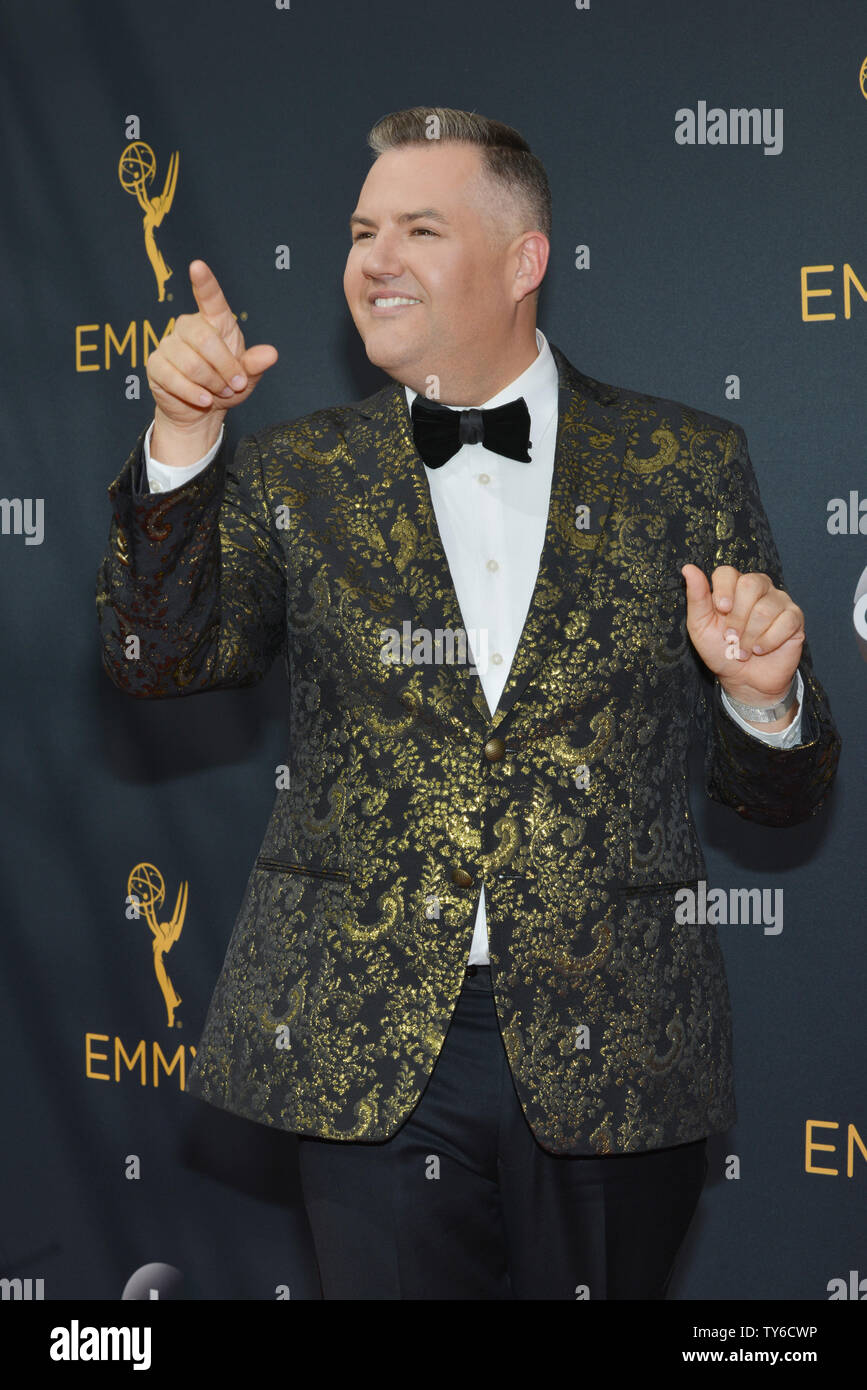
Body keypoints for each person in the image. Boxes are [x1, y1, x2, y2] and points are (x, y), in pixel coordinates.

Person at [96, 106, 841, 1300]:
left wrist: (763, 700)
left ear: (523, 260)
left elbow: (782, 790)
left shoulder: (684, 462)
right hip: (372, 1044)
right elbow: (153, 657)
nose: (371, 260)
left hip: (616, 1045)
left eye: (419, 228)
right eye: (359, 231)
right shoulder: (301, 473)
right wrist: (184, 440)